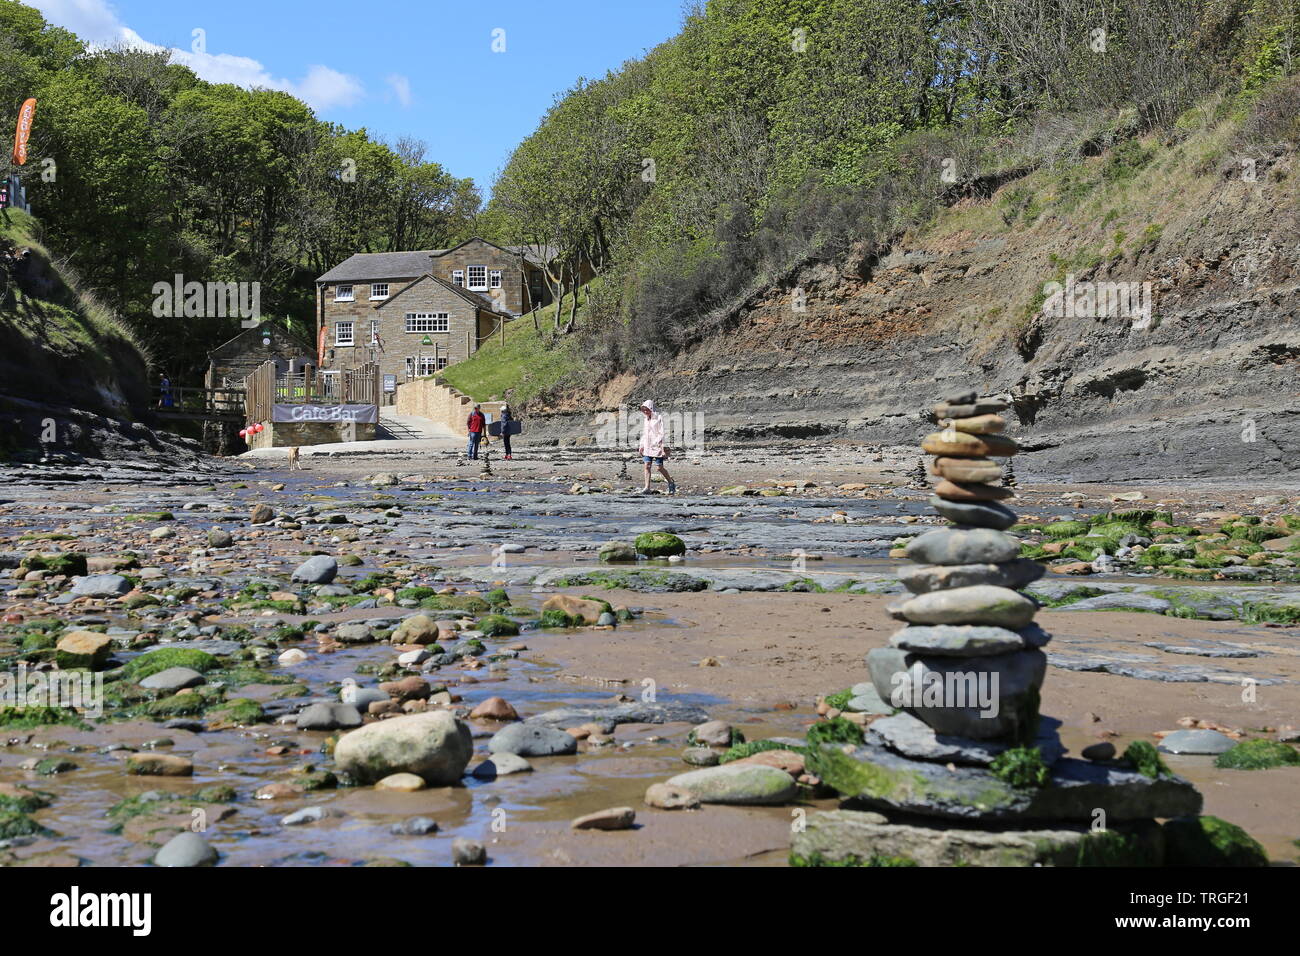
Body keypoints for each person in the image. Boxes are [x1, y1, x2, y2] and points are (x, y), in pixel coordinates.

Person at [637, 399, 676, 495]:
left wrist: (656, 442)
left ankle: (671, 482)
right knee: (647, 465)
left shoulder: (658, 417)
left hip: (657, 446)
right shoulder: (645, 419)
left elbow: (661, 433)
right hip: (647, 445)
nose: (645, 411)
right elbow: (644, 433)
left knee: (659, 467)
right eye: (644, 410)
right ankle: (647, 487)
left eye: (647, 409)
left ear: (651, 408)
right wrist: (641, 445)